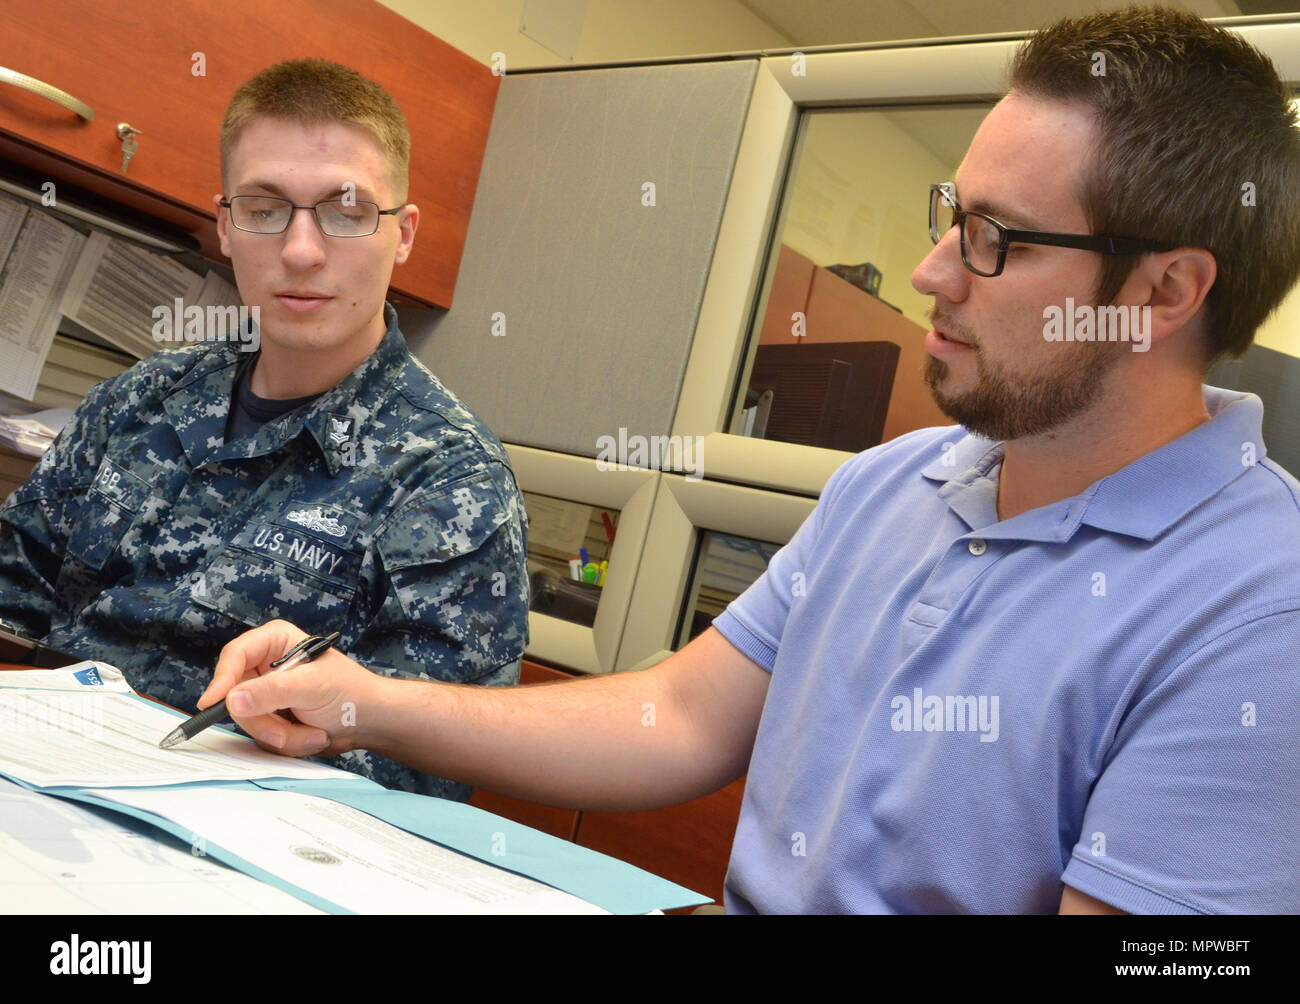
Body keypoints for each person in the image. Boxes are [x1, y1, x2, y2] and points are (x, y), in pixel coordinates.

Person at [200, 7, 1300, 912]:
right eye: (950, 217)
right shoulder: (895, 480)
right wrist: (363, 702)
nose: (930, 273)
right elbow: (678, 717)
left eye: (993, 239)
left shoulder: (1263, 611)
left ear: (1162, 292)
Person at [0, 59, 530, 799]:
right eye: (265, 207)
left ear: (402, 235)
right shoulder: (141, 399)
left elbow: (417, 784)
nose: (302, 250)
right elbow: (11, 604)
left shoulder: (450, 482)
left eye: (346, 210)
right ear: (224, 225)